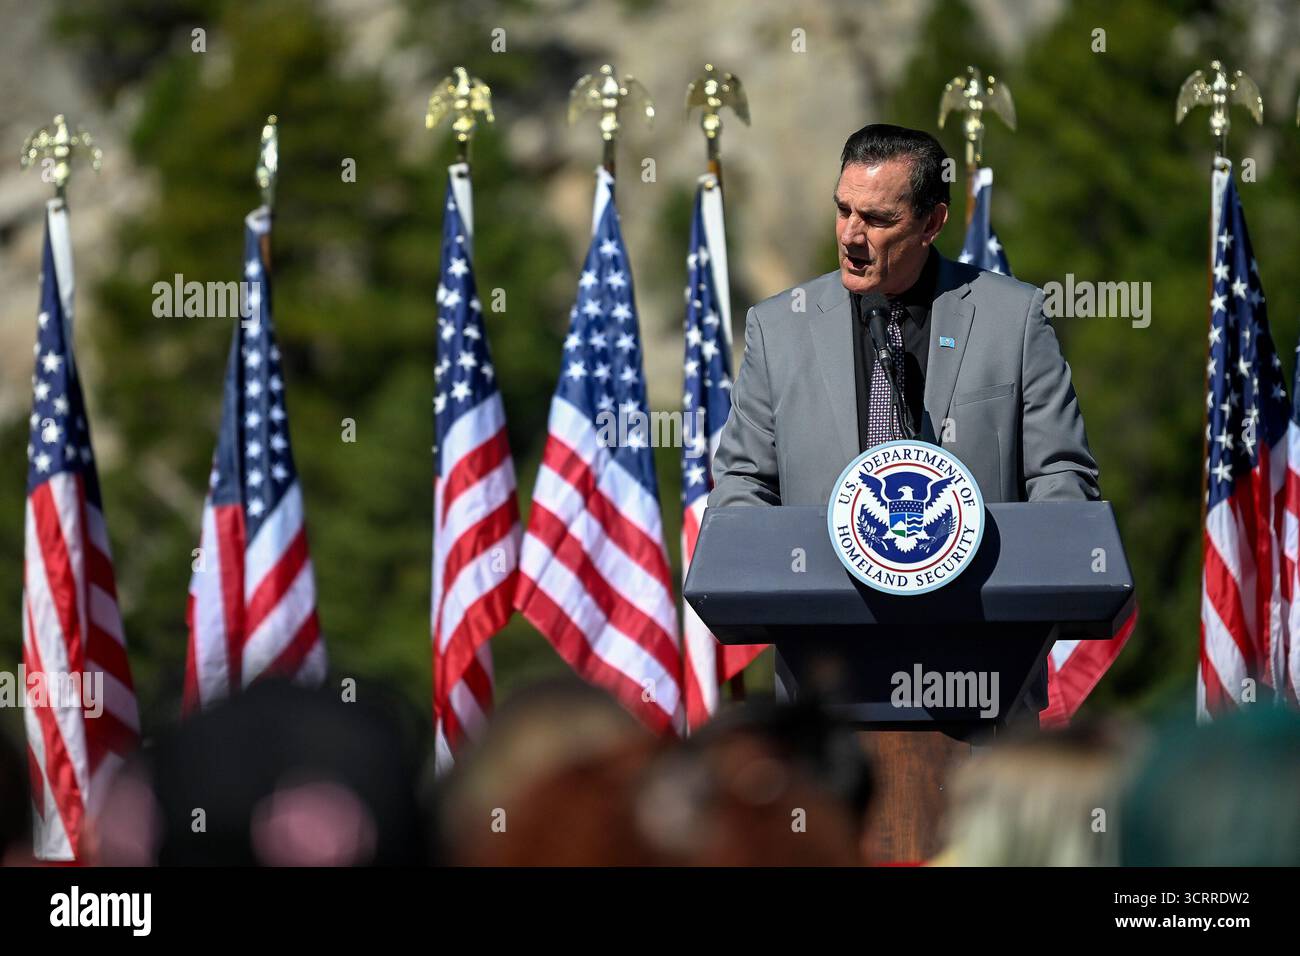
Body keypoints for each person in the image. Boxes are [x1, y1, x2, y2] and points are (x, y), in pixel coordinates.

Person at [708, 122, 1100, 712]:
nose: (851, 235)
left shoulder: (1011, 319)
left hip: (982, 679)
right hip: (827, 688)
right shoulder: (778, 327)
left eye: (878, 219)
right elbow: (743, 484)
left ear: (932, 223)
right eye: (843, 210)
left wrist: (1025, 589)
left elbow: (1061, 478)